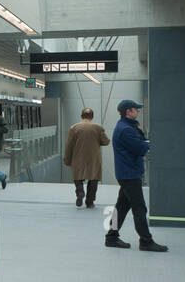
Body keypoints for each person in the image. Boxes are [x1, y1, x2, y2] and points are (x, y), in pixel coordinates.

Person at [105, 99, 167, 252]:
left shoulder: (126, 127)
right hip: (129, 173)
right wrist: (149, 143)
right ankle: (146, 241)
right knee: (139, 208)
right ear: (128, 112)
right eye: (135, 109)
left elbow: (138, 144)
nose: (138, 111)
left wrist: (144, 143)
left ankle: (111, 237)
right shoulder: (126, 129)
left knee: (121, 207)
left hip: (127, 172)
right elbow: (139, 148)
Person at [63, 108, 110, 208]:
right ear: (92, 117)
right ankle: (90, 201)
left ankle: (80, 192)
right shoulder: (98, 128)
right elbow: (106, 142)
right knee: (93, 179)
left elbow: (69, 145)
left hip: (78, 157)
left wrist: (67, 159)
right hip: (94, 158)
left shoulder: (74, 128)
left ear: (81, 116)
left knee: (77, 177)